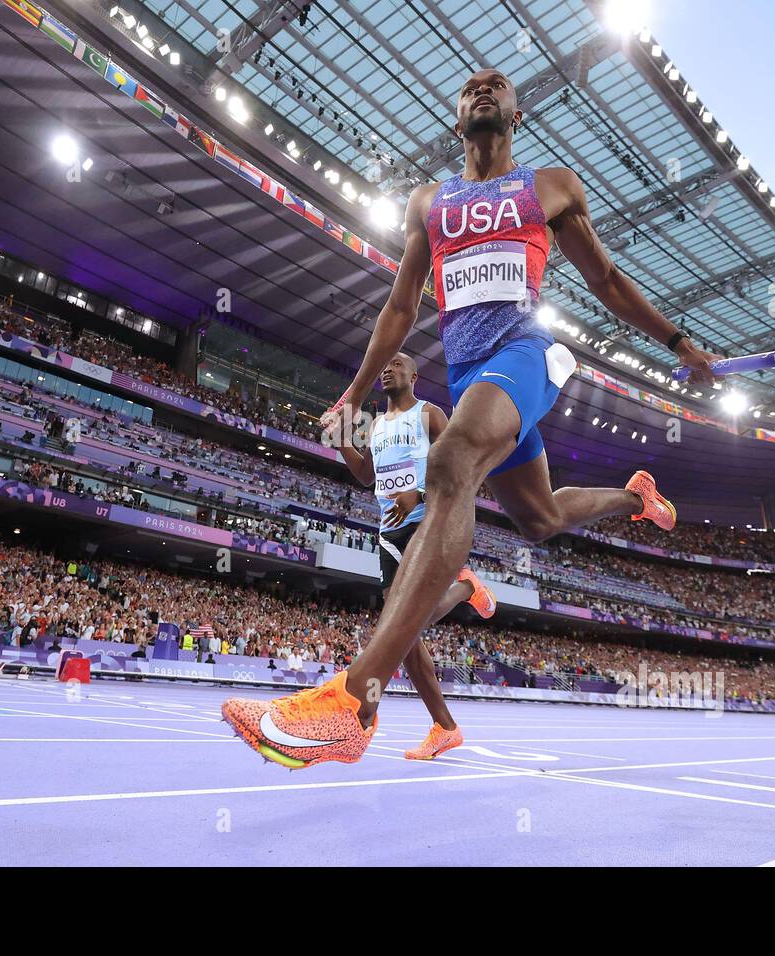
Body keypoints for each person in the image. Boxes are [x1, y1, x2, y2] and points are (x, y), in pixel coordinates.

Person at [222, 67, 718, 769]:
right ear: (457, 119)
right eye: (470, 86)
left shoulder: (551, 186)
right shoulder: (429, 201)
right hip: (472, 374)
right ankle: (635, 496)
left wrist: (678, 343)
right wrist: (353, 393)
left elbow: (605, 280)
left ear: (516, 114)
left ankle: (352, 700)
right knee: (539, 518)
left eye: (497, 84)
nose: (484, 87)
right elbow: (401, 306)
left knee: (449, 465)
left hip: (527, 353)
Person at [336, 350, 496, 760]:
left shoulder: (430, 415)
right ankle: (444, 727)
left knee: (399, 626)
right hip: (388, 530)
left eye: (397, 363)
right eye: (383, 365)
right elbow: (367, 475)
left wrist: (419, 494)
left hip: (430, 522)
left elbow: (459, 470)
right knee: (403, 638)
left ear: (414, 375)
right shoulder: (375, 426)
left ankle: (464, 586)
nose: (387, 369)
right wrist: (340, 444)